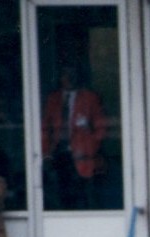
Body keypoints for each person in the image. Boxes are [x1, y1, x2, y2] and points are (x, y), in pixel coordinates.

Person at [41, 67, 108, 209]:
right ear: (60, 78)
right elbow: (45, 128)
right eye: (65, 75)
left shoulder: (89, 98)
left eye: (72, 75)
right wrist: (46, 153)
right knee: (62, 198)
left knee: (86, 199)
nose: (69, 79)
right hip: (59, 155)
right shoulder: (54, 99)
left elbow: (100, 129)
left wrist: (89, 148)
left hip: (83, 157)